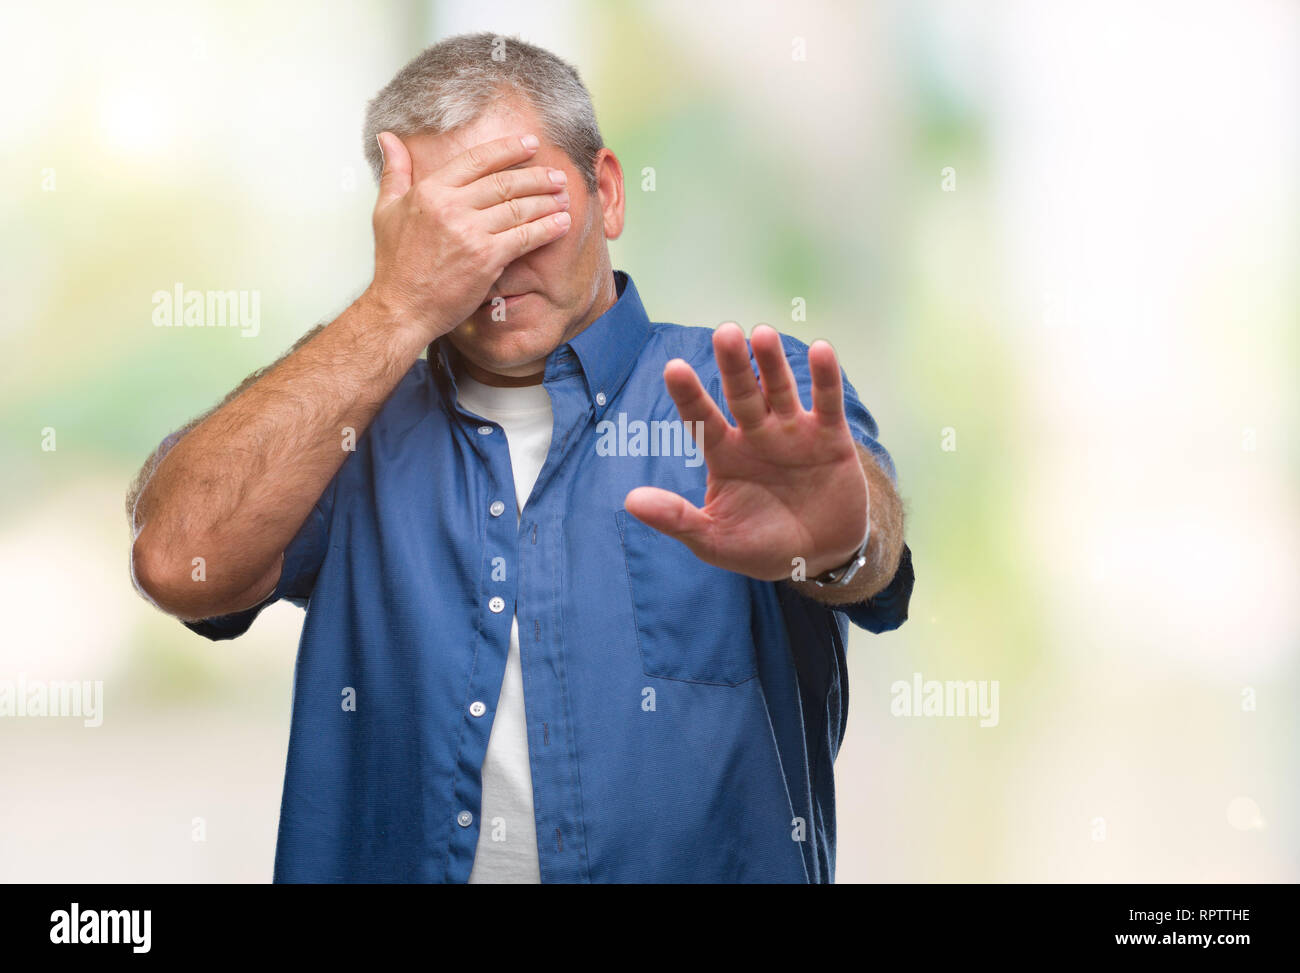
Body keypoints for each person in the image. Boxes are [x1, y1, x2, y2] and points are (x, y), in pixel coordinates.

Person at [127, 31, 914, 883]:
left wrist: (840, 546)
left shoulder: (746, 393)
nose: (493, 261)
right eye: (452, 231)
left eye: (522, 207)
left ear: (607, 193)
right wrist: (396, 306)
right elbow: (176, 560)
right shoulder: (348, 426)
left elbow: (872, 548)